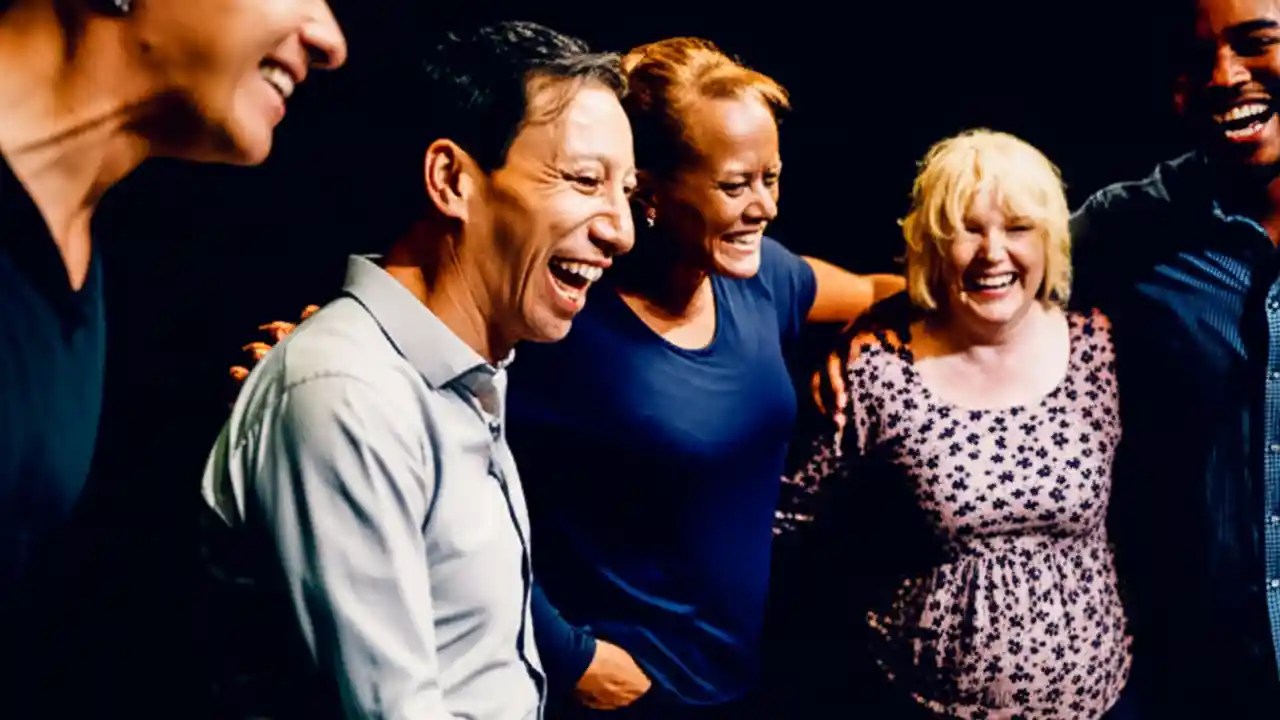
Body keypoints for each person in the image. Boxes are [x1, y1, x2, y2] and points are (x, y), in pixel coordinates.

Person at [813, 0, 1280, 715]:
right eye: (1196, 61)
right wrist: (880, 323)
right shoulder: (1135, 226)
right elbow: (997, 272)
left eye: (1256, 43)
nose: (1223, 76)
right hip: (1200, 666)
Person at [199, 20, 635, 720]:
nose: (622, 229)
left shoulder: (461, 375)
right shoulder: (348, 392)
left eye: (627, 192)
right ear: (451, 180)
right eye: (586, 181)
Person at [505, 37, 903, 718]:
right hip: (619, 694)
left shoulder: (762, 278)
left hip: (736, 680)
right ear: (649, 190)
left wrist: (863, 336)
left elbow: (872, 291)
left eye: (771, 178)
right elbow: (460, 496)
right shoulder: (562, 314)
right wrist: (569, 655)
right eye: (734, 185)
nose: (765, 206)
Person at [790, 128, 1133, 719]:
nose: (992, 252)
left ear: (1050, 239)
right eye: (966, 230)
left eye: (1017, 228)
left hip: (1102, 701)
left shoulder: (1100, 344)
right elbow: (791, 521)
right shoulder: (879, 366)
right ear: (931, 245)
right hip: (923, 704)